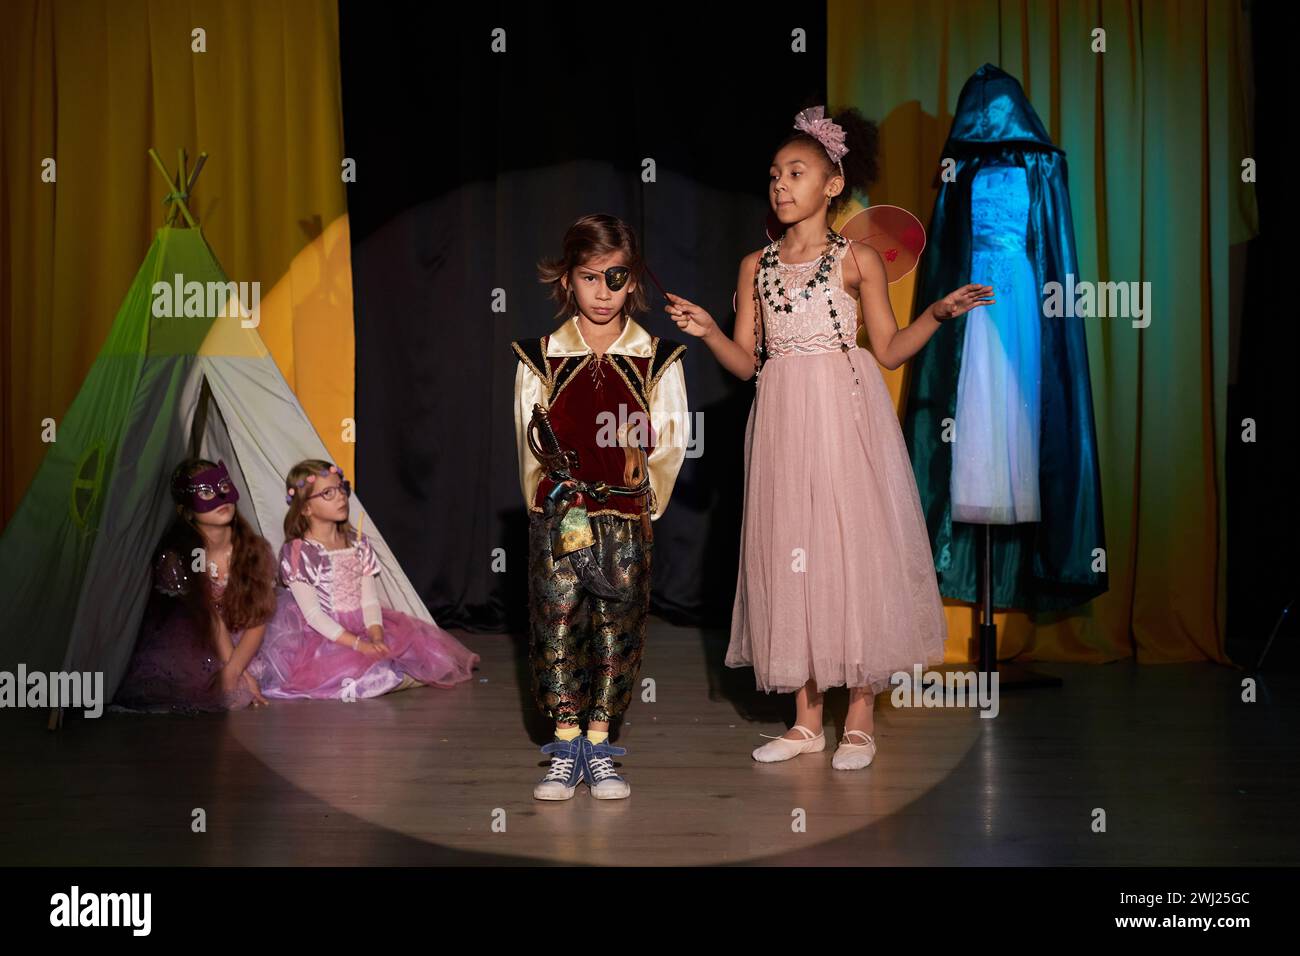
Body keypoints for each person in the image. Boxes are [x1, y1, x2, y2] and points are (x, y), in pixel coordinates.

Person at [666, 106, 991, 770]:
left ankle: (861, 716)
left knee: (850, 546)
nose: (781, 186)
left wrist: (936, 311)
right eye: (775, 175)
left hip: (844, 414)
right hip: (782, 418)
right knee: (795, 551)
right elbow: (748, 361)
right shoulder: (754, 264)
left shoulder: (858, 260)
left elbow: (893, 350)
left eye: (797, 173)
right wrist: (708, 332)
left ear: (832, 185)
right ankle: (806, 719)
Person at [514, 213, 689, 800]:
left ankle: (600, 743)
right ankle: (565, 746)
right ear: (568, 279)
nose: (604, 292)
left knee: (619, 628)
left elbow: (669, 438)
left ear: (633, 280)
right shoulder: (539, 358)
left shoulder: (657, 358)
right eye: (591, 277)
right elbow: (529, 444)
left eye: (617, 278)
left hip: (623, 518)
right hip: (563, 515)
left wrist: (643, 508)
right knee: (557, 623)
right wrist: (550, 509)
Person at [257, 459, 479, 700]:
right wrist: (358, 645)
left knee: (410, 653)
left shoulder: (358, 543)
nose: (341, 497)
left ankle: (381, 660)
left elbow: (370, 600)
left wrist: (375, 634)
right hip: (324, 634)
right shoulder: (301, 552)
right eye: (328, 493)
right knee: (364, 673)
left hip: (362, 624)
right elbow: (313, 616)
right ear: (306, 509)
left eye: (341, 488)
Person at [115, 458, 276, 713]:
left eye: (223, 486)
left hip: (242, 636)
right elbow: (211, 618)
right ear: (187, 511)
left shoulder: (254, 550)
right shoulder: (177, 558)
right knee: (202, 684)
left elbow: (259, 617)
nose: (219, 497)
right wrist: (236, 675)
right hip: (201, 638)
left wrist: (236, 671)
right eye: (205, 492)